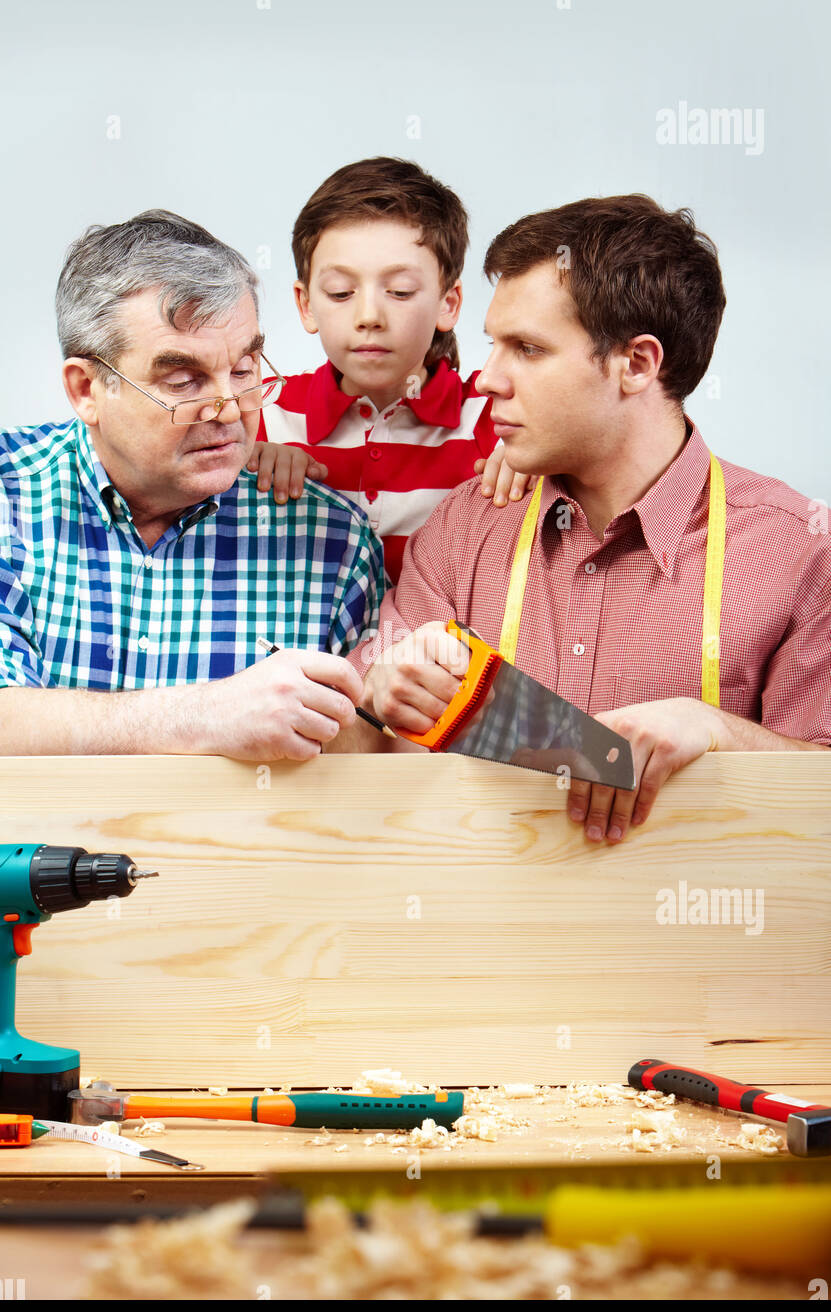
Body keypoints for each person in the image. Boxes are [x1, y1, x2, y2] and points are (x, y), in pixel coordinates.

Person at [342, 195, 831, 841]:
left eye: (527, 348)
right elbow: (366, 781)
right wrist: (379, 698)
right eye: (493, 345)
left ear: (635, 364)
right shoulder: (465, 528)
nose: (485, 379)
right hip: (475, 932)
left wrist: (717, 731)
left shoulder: (797, 550)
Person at [0, 209, 382, 760]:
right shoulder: (10, 495)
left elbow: (370, 759)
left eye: (246, 369)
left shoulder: (332, 541)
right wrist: (205, 716)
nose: (229, 410)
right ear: (86, 389)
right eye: (183, 380)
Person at [247, 156, 532, 582]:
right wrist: (241, 466)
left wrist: (540, 466)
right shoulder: (263, 410)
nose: (369, 316)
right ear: (306, 305)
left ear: (447, 304)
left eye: (399, 291)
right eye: (341, 292)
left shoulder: (495, 417)